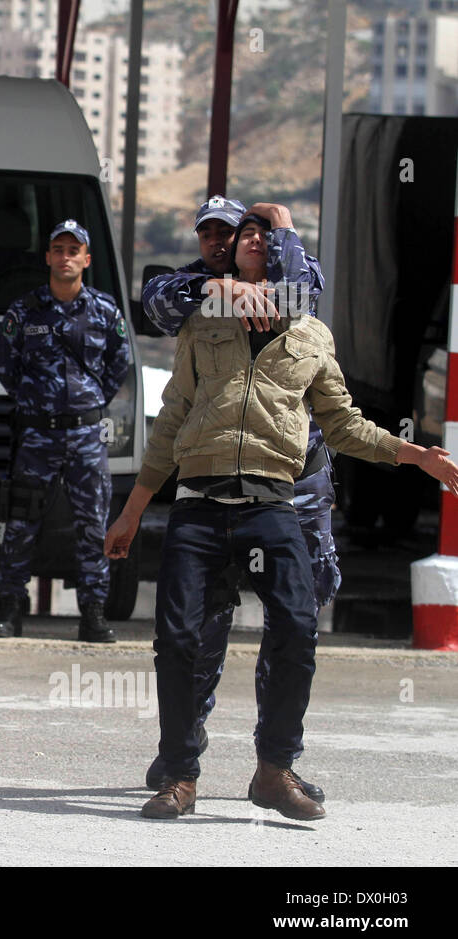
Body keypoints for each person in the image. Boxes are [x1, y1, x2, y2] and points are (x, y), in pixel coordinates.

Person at [104, 213, 458, 821]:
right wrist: (132, 511)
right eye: (245, 232)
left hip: (272, 504)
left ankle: (274, 770)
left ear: (286, 252)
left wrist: (412, 453)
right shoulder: (202, 320)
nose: (254, 240)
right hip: (200, 502)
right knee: (179, 640)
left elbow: (342, 423)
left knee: (297, 626)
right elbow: (170, 419)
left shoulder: (312, 335)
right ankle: (180, 776)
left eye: (266, 234)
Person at [141, 198, 331, 804]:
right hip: (216, 488)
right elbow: (156, 302)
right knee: (197, 629)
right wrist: (220, 290)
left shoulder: (299, 282)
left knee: (296, 625)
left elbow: (301, 296)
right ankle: (182, 756)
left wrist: (285, 230)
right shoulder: (199, 296)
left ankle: (276, 763)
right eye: (213, 234)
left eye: (244, 232)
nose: (224, 242)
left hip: (296, 488)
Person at [0, 220, 130, 642]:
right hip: (37, 435)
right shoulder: (23, 310)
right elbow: (5, 368)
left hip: (86, 436)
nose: (66, 257)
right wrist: (37, 403)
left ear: (86, 259)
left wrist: (87, 401)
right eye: (58, 249)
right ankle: (10, 608)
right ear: (48, 257)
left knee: (92, 523)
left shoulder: (104, 311)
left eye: (74, 250)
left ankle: (93, 613)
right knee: (22, 522)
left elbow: (118, 366)